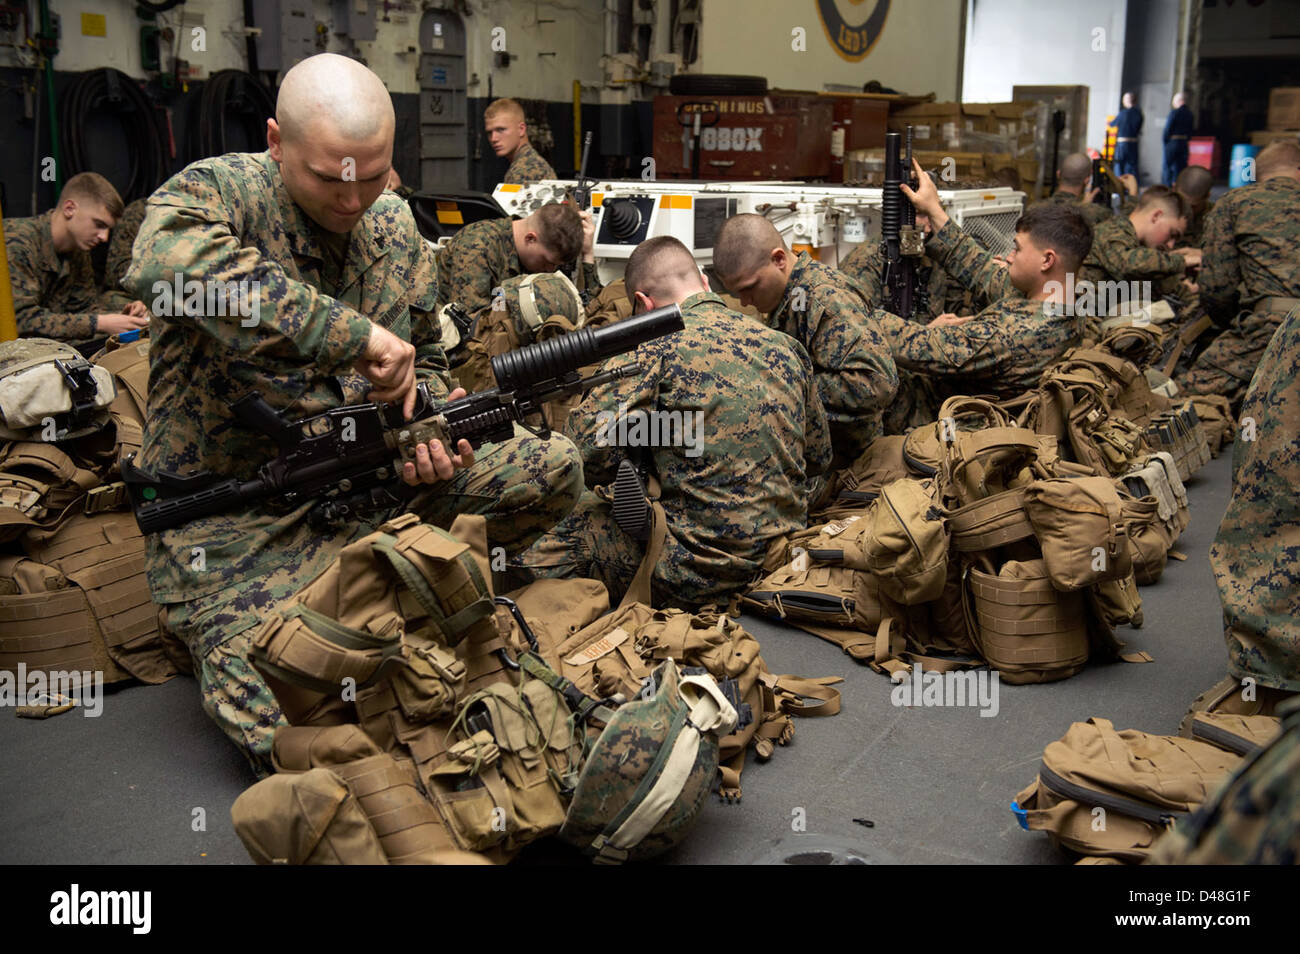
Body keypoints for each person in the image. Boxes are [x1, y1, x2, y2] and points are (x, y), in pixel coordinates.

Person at [121, 53, 583, 777]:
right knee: (311, 742)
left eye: (372, 177)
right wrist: (350, 336)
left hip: (364, 488)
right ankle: (302, 610)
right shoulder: (219, 193)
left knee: (552, 465)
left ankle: (376, 591)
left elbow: (426, 362)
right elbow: (168, 268)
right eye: (330, 175)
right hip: (238, 521)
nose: (351, 199)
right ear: (276, 142)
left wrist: (429, 428)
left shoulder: (394, 227)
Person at [509, 236, 831, 608]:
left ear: (643, 304)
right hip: (781, 562)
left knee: (550, 525)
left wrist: (644, 437)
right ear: (705, 283)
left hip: (695, 574)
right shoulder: (785, 346)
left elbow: (582, 456)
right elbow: (819, 457)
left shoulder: (649, 350)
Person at [872, 157, 1090, 419]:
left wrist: (852, 308)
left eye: (1017, 249)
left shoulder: (1009, 335)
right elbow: (980, 268)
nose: (1009, 256)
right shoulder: (1066, 301)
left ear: (1047, 260)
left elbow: (917, 346)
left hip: (937, 416)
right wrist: (934, 209)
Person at [712, 213, 898, 469]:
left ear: (778, 259)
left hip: (850, 462)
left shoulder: (824, 298)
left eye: (749, 287)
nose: (745, 301)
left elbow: (878, 382)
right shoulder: (789, 294)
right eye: (737, 292)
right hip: (817, 454)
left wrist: (784, 387)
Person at [1179, 140, 1300, 410]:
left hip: (1271, 329)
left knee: (1175, 398)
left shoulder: (1236, 203)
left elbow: (1217, 289)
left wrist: (1235, 322)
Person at [4, 172, 147, 351]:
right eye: (99, 224)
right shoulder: (16, 243)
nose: (104, 237)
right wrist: (99, 323)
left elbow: (84, 307)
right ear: (69, 208)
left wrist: (123, 318)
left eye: (108, 229)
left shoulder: (78, 249)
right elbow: (21, 321)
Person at [435, 203, 596, 315]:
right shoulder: (478, 246)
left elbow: (588, 309)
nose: (550, 271)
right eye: (549, 263)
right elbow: (473, 328)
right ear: (530, 239)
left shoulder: (544, 252)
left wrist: (587, 255)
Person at [838, 207, 987, 323]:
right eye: (921, 215)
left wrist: (983, 277)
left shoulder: (933, 254)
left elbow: (960, 312)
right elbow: (856, 335)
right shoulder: (865, 263)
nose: (928, 227)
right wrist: (926, 334)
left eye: (932, 214)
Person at [1076, 186, 1201, 301]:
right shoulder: (1111, 231)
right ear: (1156, 216)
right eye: (1172, 234)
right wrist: (1183, 261)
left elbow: (1148, 283)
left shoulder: (1135, 245)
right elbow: (1127, 264)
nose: (1171, 245)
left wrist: (1187, 288)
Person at [485, 98, 556, 184]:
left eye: (501, 130)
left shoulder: (524, 171)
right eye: (489, 132)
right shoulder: (530, 163)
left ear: (521, 129)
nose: (493, 138)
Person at [1037, 152, 1111, 227]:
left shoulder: (1035, 209)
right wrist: (1085, 208)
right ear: (1087, 180)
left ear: (1058, 174)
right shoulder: (1097, 214)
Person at [1173, 164, 1215, 247]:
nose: (1186, 209)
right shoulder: (1160, 211)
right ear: (1174, 188)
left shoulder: (1218, 217)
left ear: (1207, 196)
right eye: (1182, 202)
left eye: (1193, 206)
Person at [1162, 92, 1195, 187]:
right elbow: (1191, 130)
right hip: (1184, 142)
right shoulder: (1190, 114)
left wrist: (1166, 142)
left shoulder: (1174, 113)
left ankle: (1167, 187)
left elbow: (1168, 129)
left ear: (1179, 101)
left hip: (1173, 142)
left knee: (1167, 166)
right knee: (1181, 167)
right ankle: (1180, 187)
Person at [1109, 92, 1143, 180]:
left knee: (1119, 166)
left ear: (1126, 101)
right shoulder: (1139, 113)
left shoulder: (1123, 113)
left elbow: (1112, 124)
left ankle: (1119, 188)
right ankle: (1132, 188)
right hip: (1133, 143)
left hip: (1122, 143)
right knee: (1132, 166)